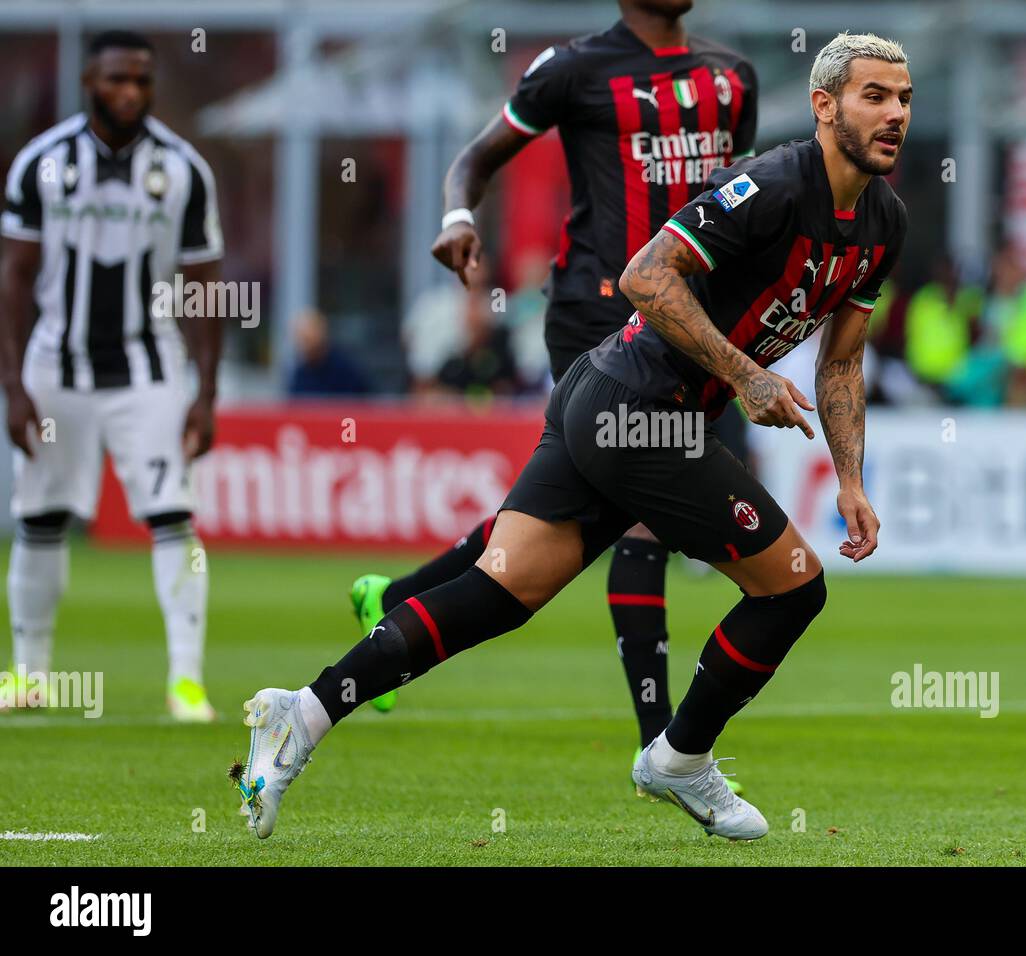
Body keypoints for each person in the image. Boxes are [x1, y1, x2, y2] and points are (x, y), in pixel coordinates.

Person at [233, 32, 909, 842]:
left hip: (609, 402)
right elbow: (644, 276)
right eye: (876, 96)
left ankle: (298, 717)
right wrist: (745, 374)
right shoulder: (768, 185)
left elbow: (841, 362)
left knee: (498, 591)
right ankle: (679, 759)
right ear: (824, 105)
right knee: (795, 584)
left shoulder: (885, 222)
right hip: (639, 409)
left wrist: (852, 479)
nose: (895, 114)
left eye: (904, 99)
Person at [345, 0, 759, 790]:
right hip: (597, 313)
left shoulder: (731, 77)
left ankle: (394, 595)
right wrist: (458, 214)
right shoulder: (573, 68)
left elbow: (729, 200)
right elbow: (478, 153)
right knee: (644, 516)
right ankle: (663, 750)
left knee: (569, 517)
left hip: (690, 320)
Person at [0, 31, 224, 719]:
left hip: (147, 367)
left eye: (141, 82)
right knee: (39, 517)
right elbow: (14, 276)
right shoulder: (42, 164)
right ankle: (28, 675)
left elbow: (204, 286)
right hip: (54, 369)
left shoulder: (185, 171)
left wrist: (204, 394)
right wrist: (12, 386)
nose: (129, 92)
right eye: (116, 79)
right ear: (89, 83)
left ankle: (186, 681)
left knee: (171, 517)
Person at [287, 307, 370, 397]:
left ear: (321, 334)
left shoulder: (345, 370)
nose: (303, 346)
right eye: (299, 339)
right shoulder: (300, 374)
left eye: (307, 339)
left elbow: (365, 404)